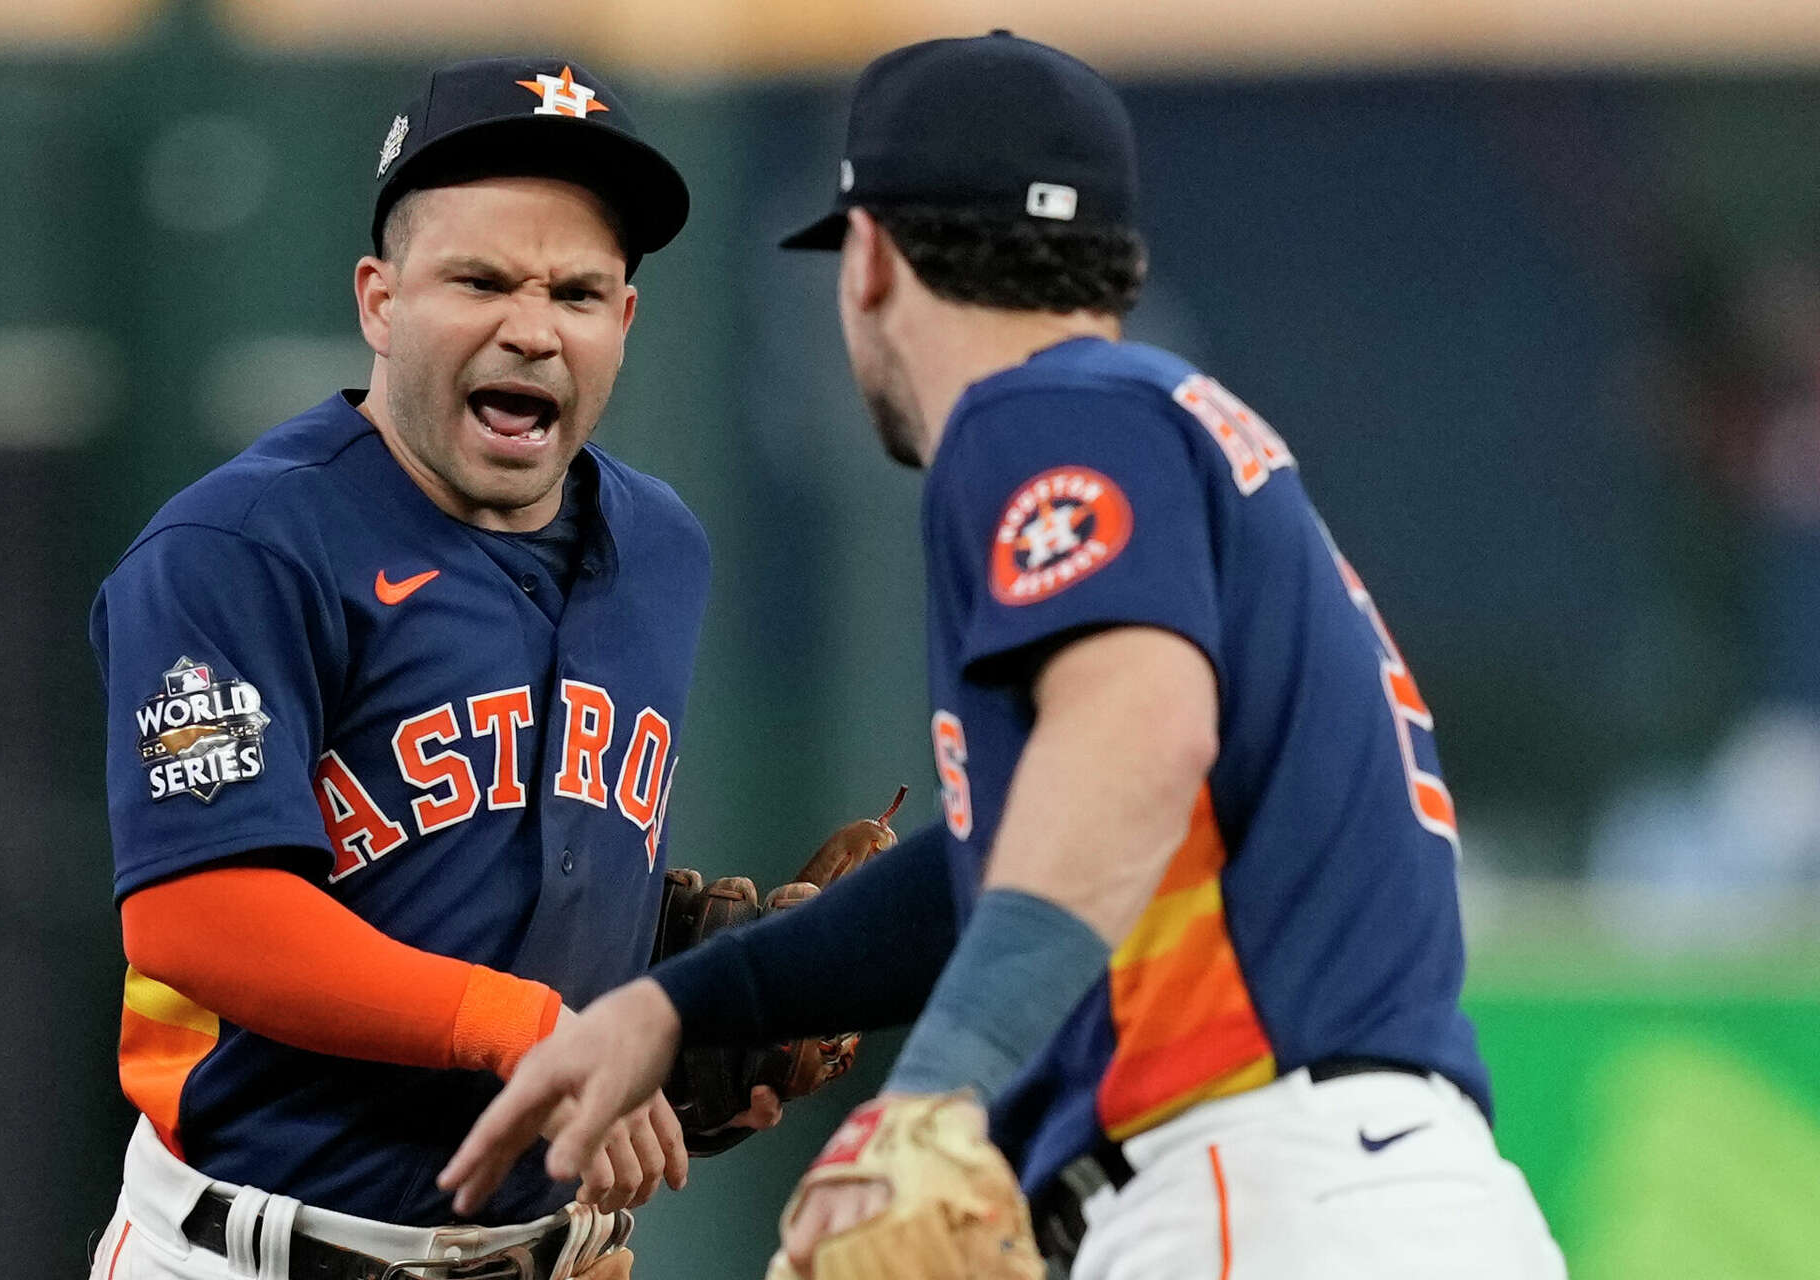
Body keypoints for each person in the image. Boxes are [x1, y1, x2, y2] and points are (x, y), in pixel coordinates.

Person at [439, 31, 1568, 1280]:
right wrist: (679, 1006)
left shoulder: (1043, 409)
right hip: (1371, 1184)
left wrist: (938, 1089)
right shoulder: (1171, 432)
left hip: (1261, 1186)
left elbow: (1134, 735)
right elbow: (1021, 853)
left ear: (870, 260)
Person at [86, 55, 731, 1280]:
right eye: (479, 280)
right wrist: (529, 1028)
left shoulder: (662, 548)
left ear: (624, 322)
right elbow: (196, 915)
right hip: (261, 1247)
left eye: (579, 292)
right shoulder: (238, 548)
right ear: (380, 301)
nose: (532, 328)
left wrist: (666, 1026)